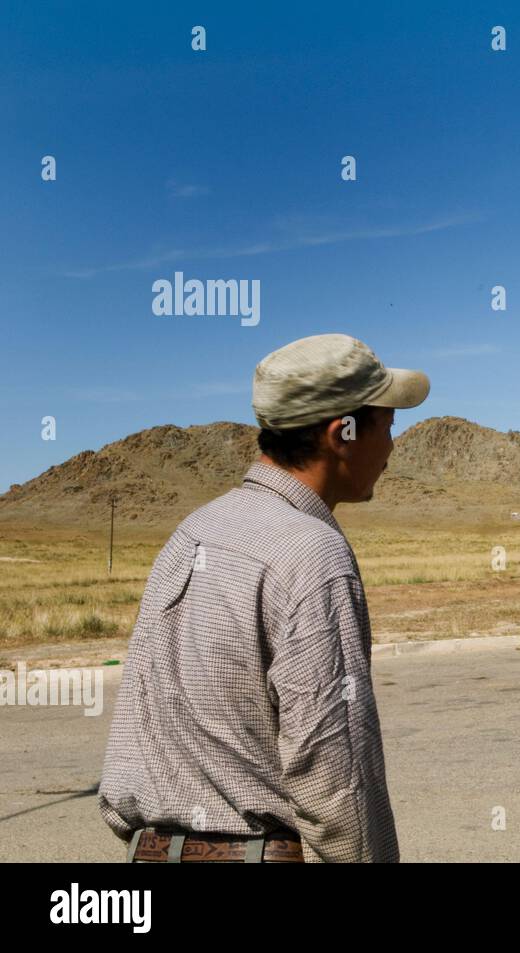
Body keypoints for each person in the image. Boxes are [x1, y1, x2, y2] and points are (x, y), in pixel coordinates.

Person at [97, 333, 428, 863]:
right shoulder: (312, 553)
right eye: (388, 425)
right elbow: (335, 778)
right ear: (340, 433)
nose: (392, 446)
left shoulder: (192, 533)